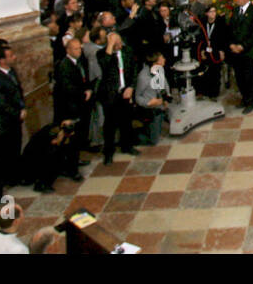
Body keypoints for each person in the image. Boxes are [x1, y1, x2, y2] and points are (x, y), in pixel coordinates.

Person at [0, 39, 27, 201]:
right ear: (2, 60)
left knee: (13, 150)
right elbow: (0, 104)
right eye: (11, 55)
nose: (14, 57)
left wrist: (22, 107)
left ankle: (12, 178)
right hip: (1, 124)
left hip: (14, 121)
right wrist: (17, 113)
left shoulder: (11, 72)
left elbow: (18, 91)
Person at [53, 37, 91, 178]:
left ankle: (75, 161)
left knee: (77, 139)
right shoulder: (64, 66)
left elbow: (83, 79)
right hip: (69, 109)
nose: (79, 51)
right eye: (75, 49)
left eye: (79, 48)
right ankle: (71, 169)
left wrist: (88, 89)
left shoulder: (79, 62)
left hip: (79, 105)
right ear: (68, 50)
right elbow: (67, 89)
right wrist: (83, 93)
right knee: (70, 141)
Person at [98, 31, 138, 163]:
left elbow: (134, 69)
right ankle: (108, 152)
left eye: (120, 42)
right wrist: (110, 45)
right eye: (116, 43)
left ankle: (127, 146)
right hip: (110, 95)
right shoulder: (102, 54)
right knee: (110, 125)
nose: (120, 45)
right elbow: (105, 65)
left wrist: (131, 87)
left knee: (126, 121)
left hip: (125, 92)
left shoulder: (128, 51)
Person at [228, 0, 253, 113]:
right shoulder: (236, 10)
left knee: (249, 77)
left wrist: (243, 46)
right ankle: (244, 98)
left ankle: (251, 101)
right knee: (239, 76)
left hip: (249, 51)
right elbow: (231, 29)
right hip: (236, 51)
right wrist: (232, 44)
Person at [134, 51, 170, 145]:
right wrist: (149, 103)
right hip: (150, 110)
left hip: (160, 107)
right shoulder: (143, 77)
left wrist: (166, 98)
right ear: (155, 63)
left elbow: (164, 86)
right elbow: (137, 97)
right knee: (153, 141)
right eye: (162, 58)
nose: (164, 59)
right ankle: (133, 135)